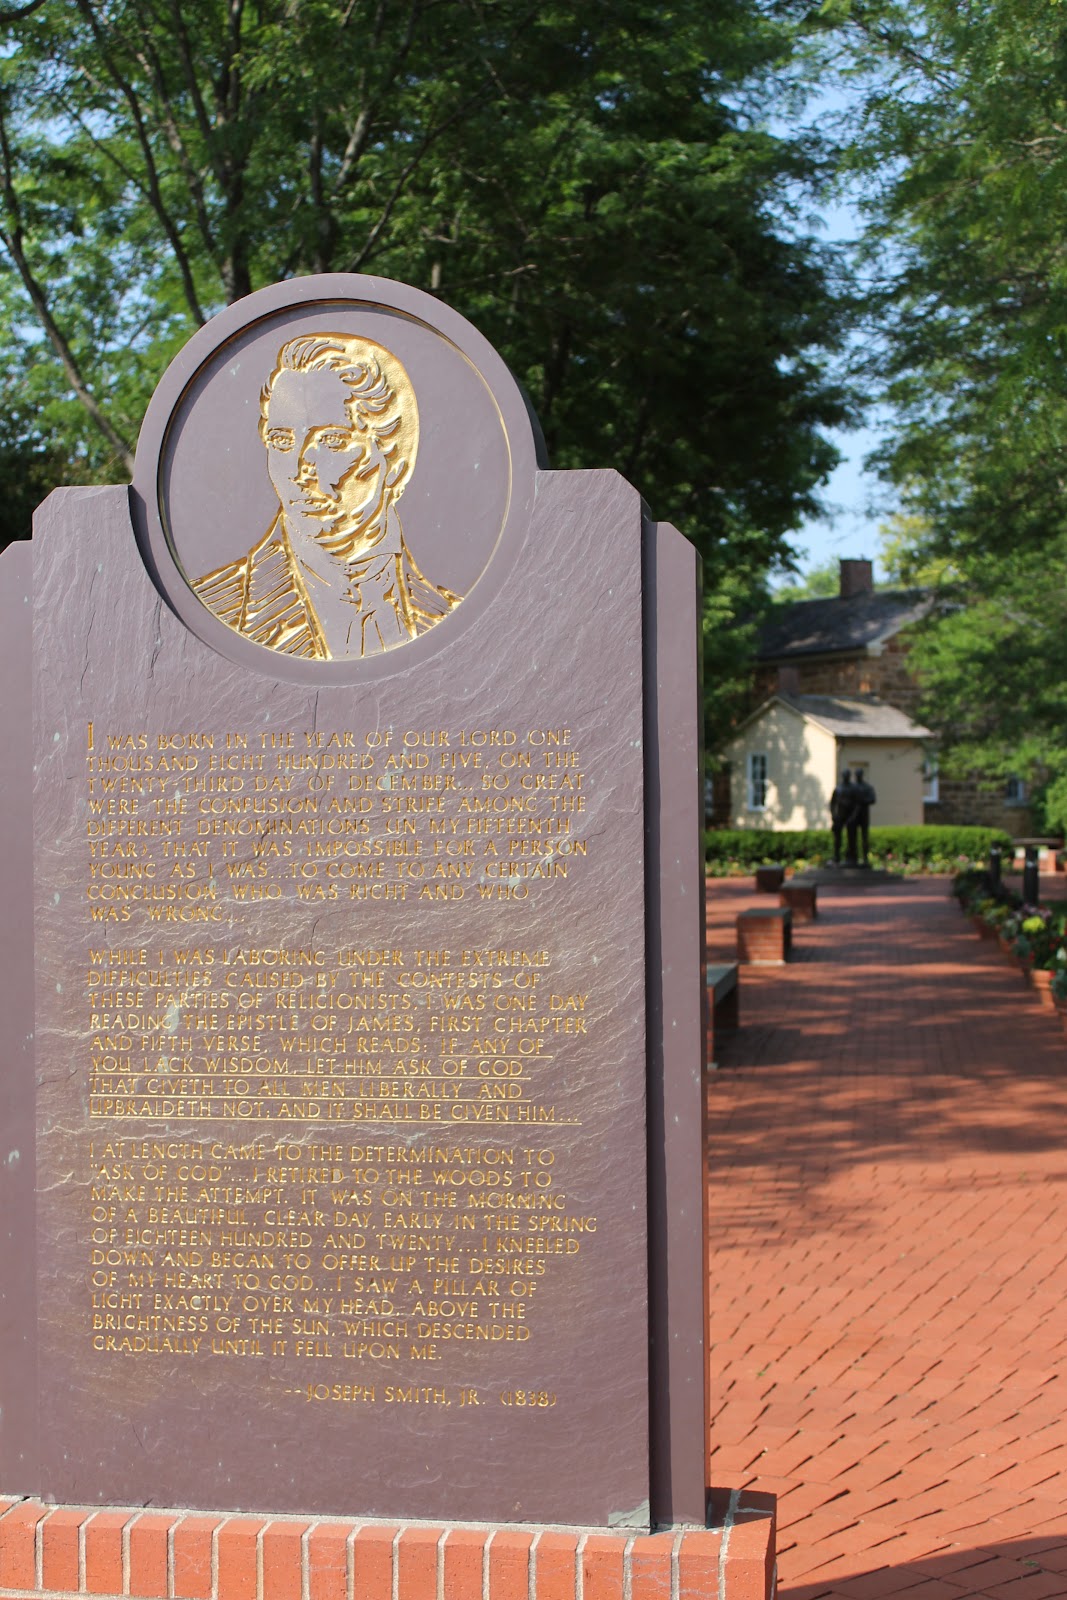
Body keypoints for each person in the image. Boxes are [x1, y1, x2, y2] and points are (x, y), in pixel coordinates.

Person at [193, 332, 460, 659]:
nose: (299, 466)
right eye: (281, 441)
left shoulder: (455, 622)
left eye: (331, 440)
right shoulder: (212, 614)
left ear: (395, 463)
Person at [829, 770, 856, 865]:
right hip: (839, 816)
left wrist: (853, 816)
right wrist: (833, 815)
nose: (846, 777)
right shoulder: (838, 789)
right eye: (845, 775)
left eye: (847, 775)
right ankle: (836, 856)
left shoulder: (853, 789)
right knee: (837, 838)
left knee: (851, 838)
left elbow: (857, 804)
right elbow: (832, 803)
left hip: (850, 817)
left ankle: (851, 857)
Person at [852, 771, 877, 866]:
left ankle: (865, 858)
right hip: (853, 815)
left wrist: (862, 800)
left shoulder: (867, 787)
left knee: (864, 837)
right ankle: (853, 858)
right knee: (853, 838)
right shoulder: (852, 788)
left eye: (859, 774)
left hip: (863, 815)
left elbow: (873, 799)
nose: (858, 776)